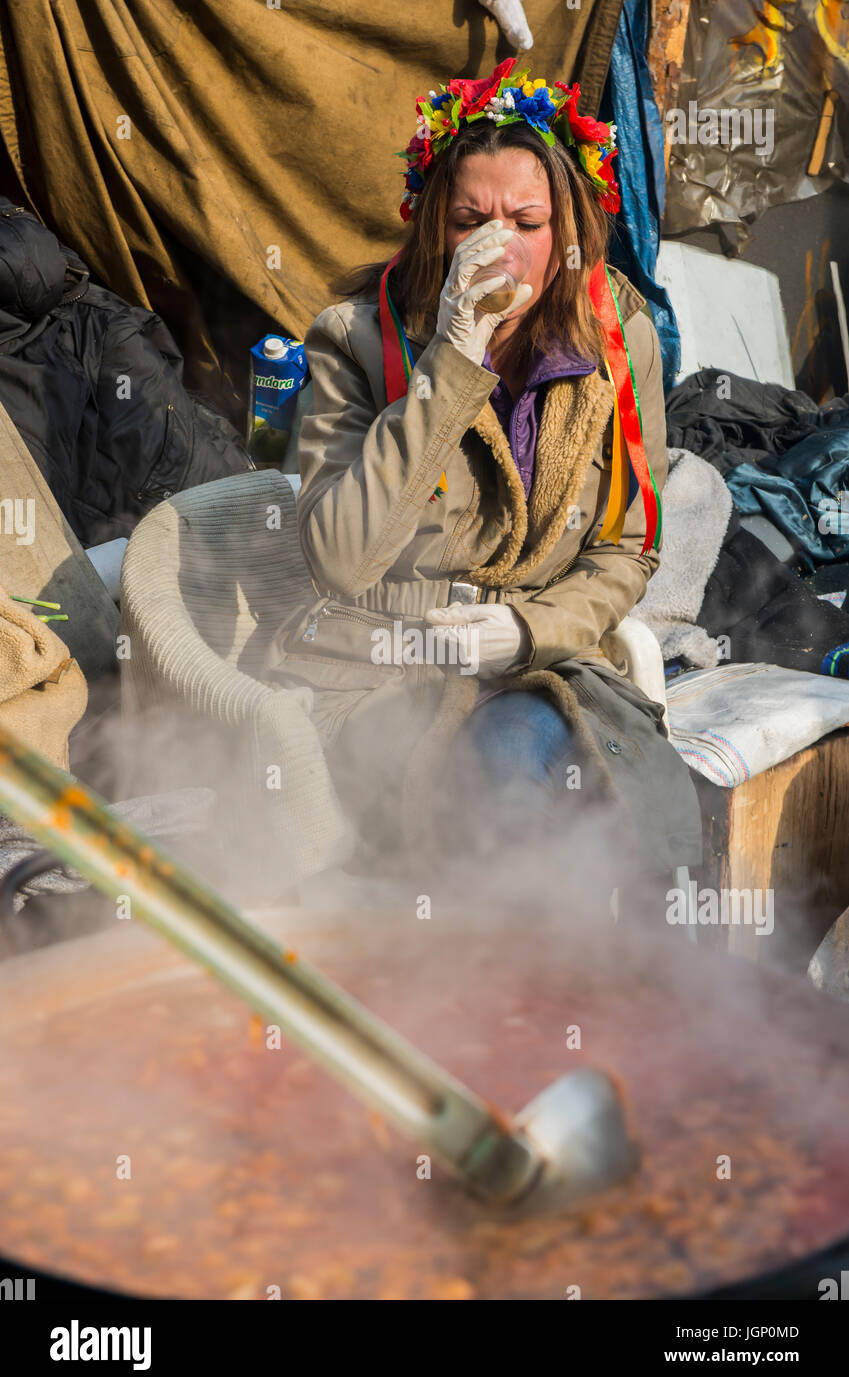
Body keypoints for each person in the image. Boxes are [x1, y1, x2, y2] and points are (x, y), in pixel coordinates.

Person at [266, 57, 702, 885]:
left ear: (566, 229)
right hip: (380, 670)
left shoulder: (617, 340)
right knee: (502, 805)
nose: (498, 245)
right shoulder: (356, 341)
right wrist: (451, 360)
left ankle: (576, 991)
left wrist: (533, 631)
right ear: (435, 226)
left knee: (553, 784)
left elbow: (626, 547)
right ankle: (496, 990)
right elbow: (339, 558)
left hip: (542, 663)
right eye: (471, 219)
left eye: (525, 219)